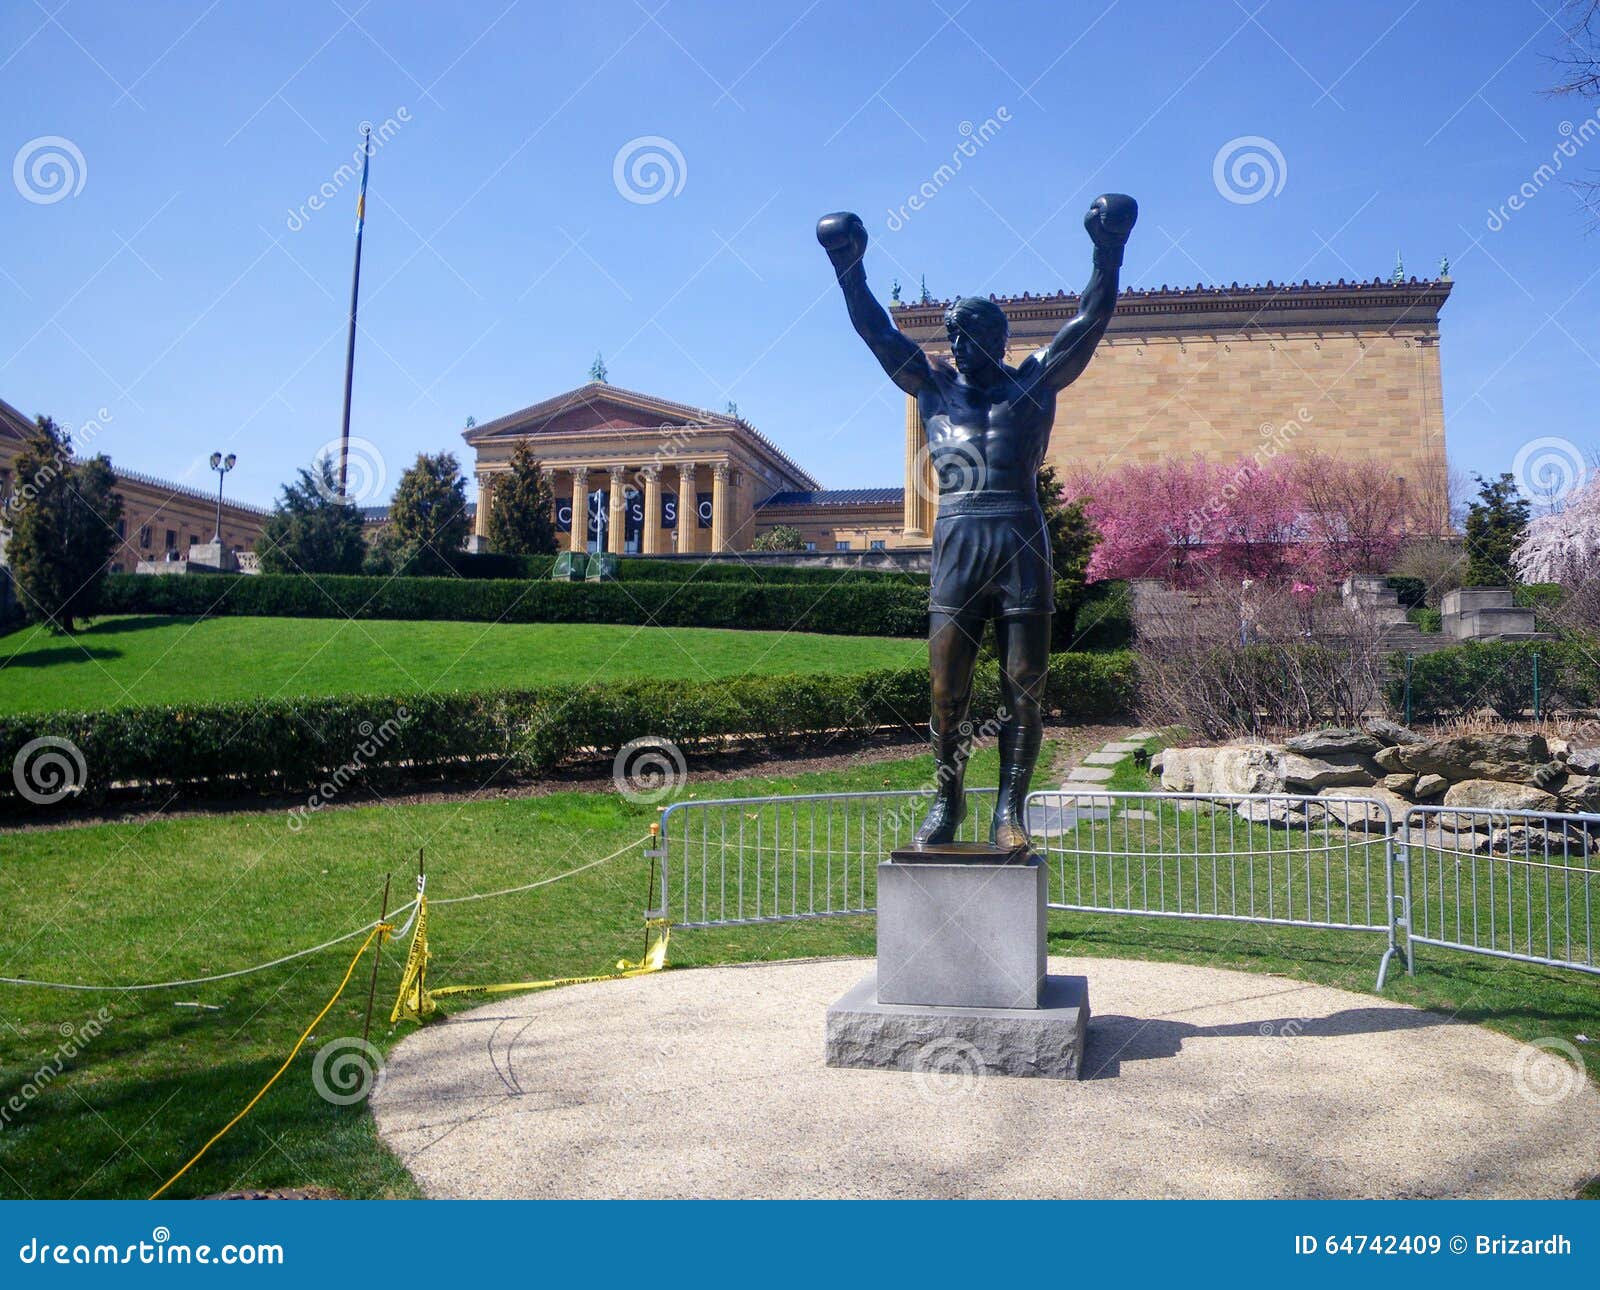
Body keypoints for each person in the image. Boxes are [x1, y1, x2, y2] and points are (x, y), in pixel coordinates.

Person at [817, 194, 1136, 851]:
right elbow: (876, 331)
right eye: (951, 335)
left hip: (1020, 537)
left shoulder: (1035, 384)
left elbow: (1092, 318)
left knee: (1023, 689)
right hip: (958, 539)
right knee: (945, 692)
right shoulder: (934, 389)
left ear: (997, 338)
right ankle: (948, 798)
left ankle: (1010, 811)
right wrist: (848, 265)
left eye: (969, 334)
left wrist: (1108, 249)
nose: (956, 346)